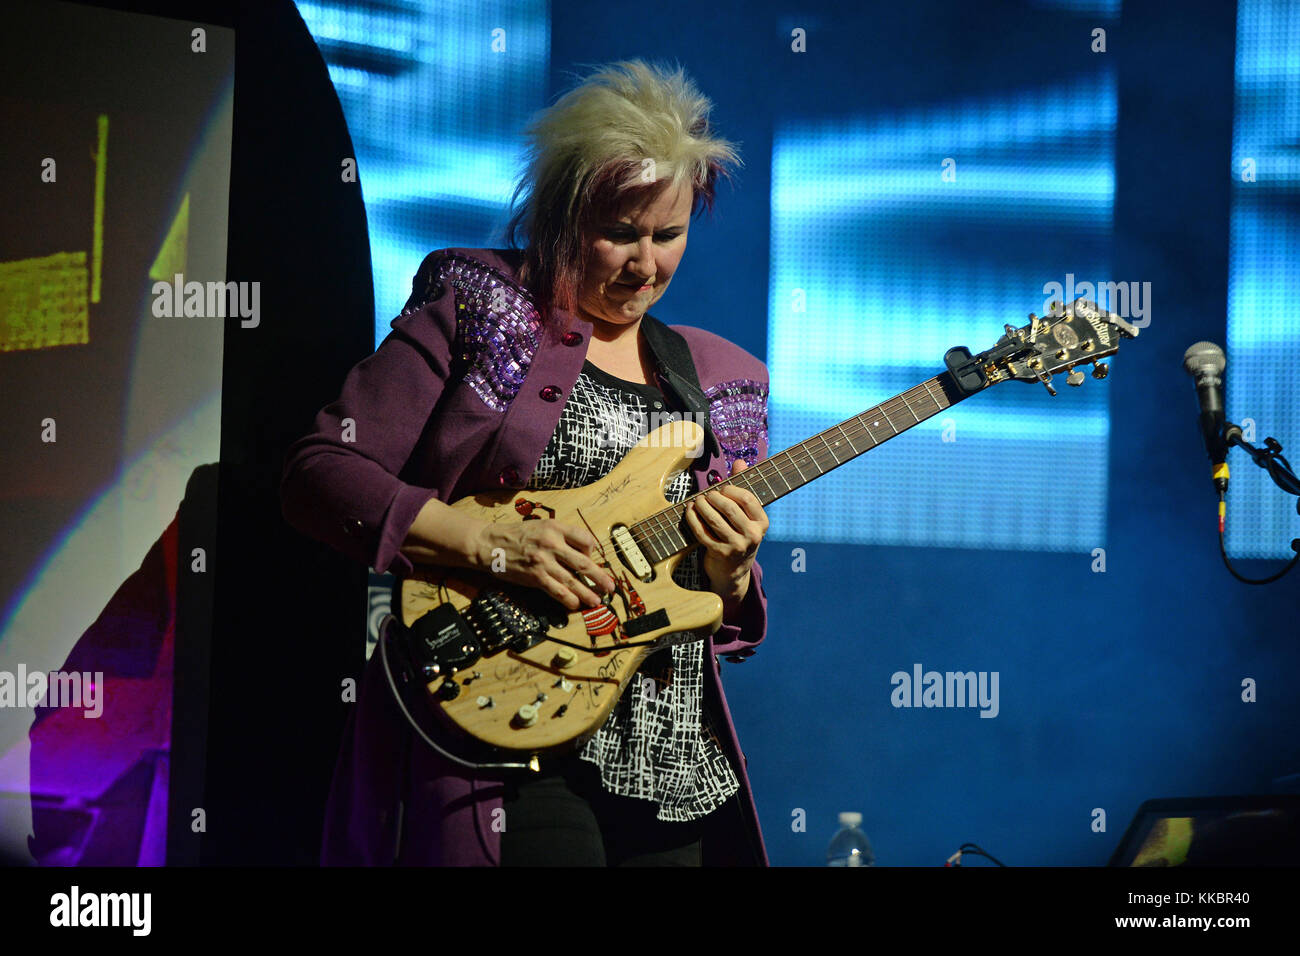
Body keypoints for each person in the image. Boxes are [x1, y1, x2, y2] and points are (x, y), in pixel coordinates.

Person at [280, 59, 772, 866]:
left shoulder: (724, 375)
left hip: (667, 754)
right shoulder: (482, 301)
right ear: (561, 215)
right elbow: (319, 475)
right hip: (512, 724)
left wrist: (731, 571)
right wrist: (495, 546)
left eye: (667, 234)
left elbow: (728, 616)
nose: (644, 265)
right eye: (619, 232)